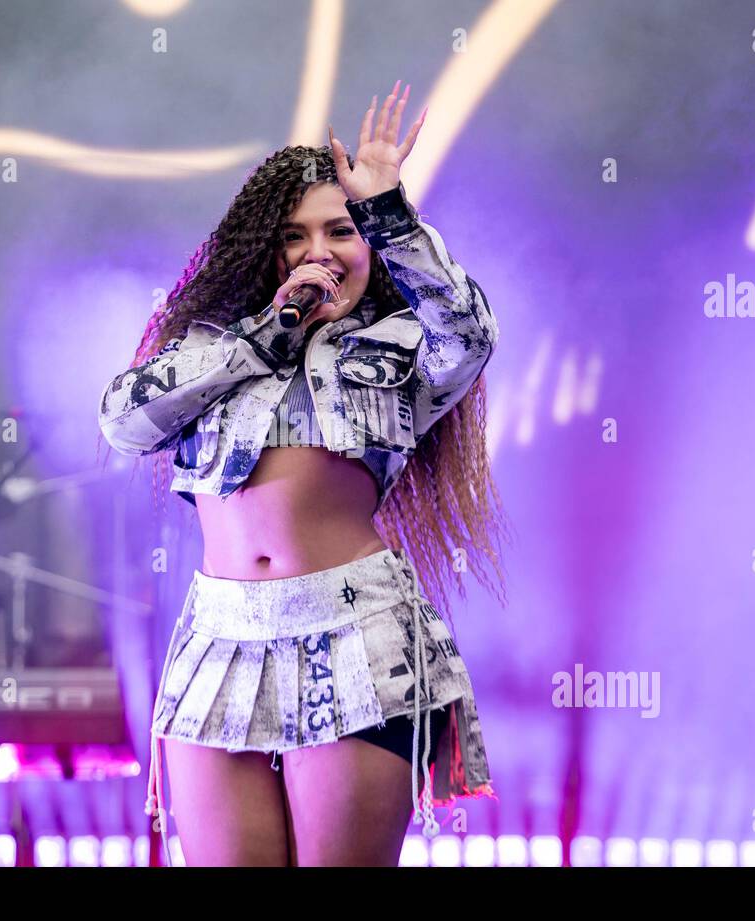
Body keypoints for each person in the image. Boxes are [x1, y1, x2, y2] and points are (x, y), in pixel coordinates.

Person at [100, 81, 509, 865]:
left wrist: (388, 206)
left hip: (352, 631)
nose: (319, 252)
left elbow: (470, 332)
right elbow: (123, 420)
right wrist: (266, 335)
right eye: (295, 236)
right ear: (267, 254)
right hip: (219, 641)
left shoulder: (397, 345)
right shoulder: (218, 347)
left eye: (342, 231)